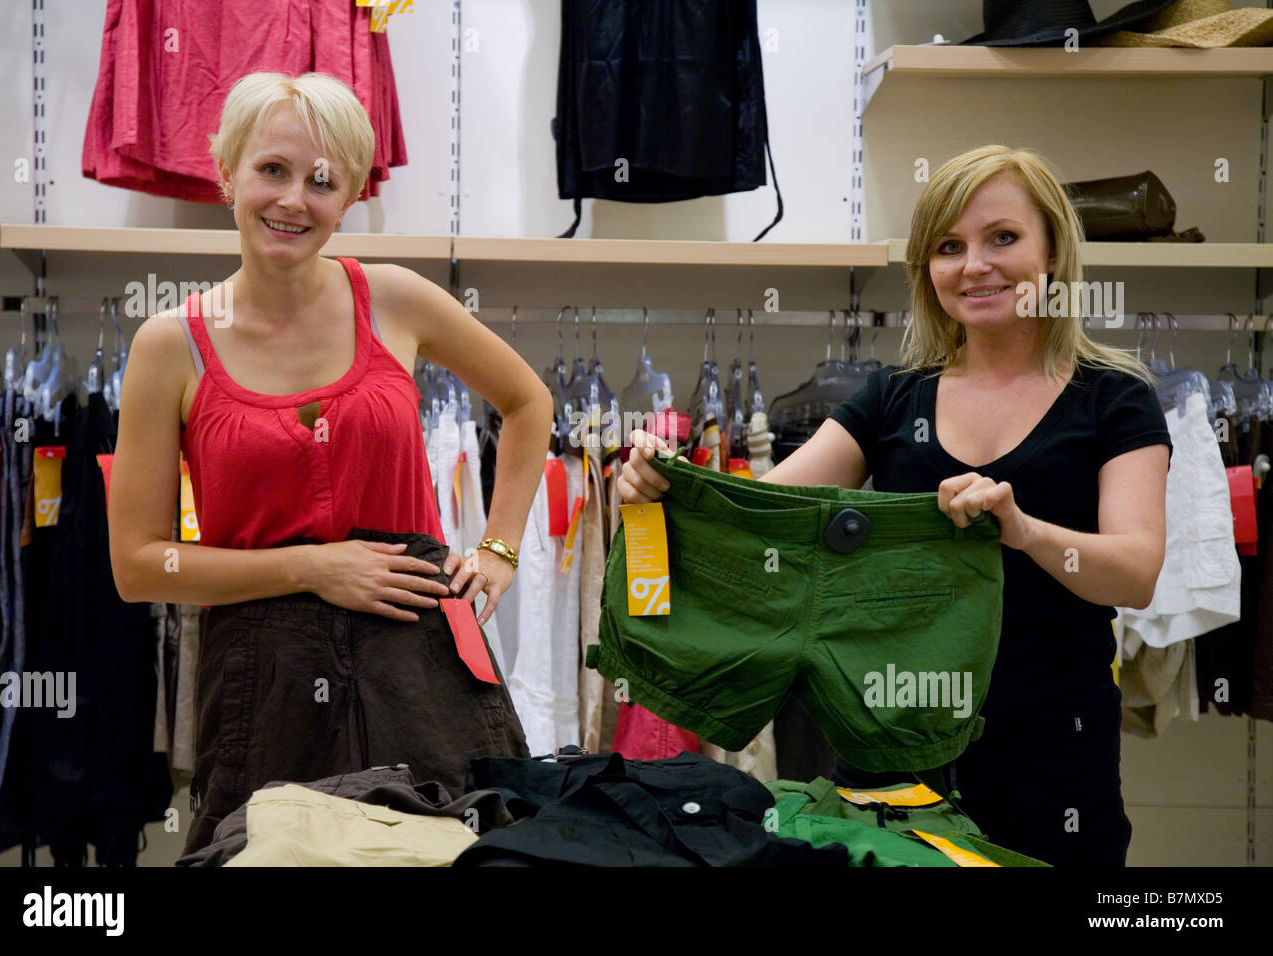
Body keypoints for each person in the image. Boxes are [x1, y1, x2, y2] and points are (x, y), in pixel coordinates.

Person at [620, 144, 1171, 868]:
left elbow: (1136, 573)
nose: (974, 265)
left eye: (1002, 237)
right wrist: (659, 488)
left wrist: (1025, 530)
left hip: (1052, 756)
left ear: (1052, 249)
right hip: (890, 755)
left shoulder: (1113, 399)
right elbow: (761, 514)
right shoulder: (892, 398)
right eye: (949, 246)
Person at [107, 72, 552, 855]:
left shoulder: (396, 301)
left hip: (422, 651)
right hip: (263, 672)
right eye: (272, 170)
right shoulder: (168, 345)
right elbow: (141, 566)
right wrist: (313, 568)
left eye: (322, 181)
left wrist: (501, 547)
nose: (293, 200)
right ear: (227, 174)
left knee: (460, 852)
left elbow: (527, 403)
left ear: (348, 199)